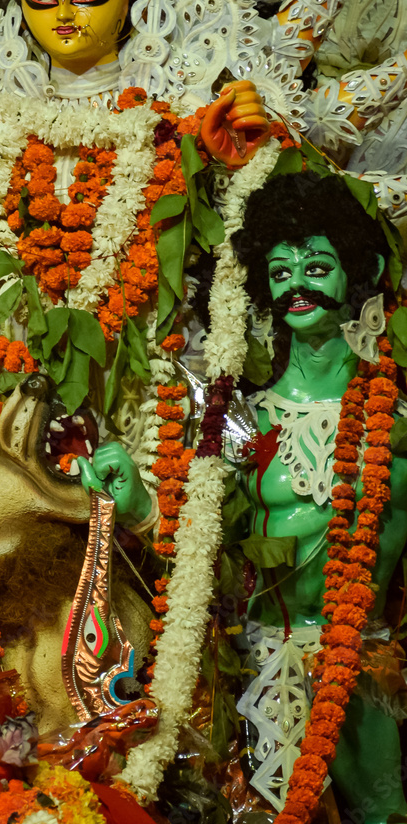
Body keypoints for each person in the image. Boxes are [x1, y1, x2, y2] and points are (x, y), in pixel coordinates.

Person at [230, 172, 407, 823]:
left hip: (360, 662)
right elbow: (193, 542)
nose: (295, 285)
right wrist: (137, 503)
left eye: (316, 267)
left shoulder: (399, 419)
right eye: (279, 271)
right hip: (259, 665)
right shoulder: (244, 417)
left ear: (362, 272)